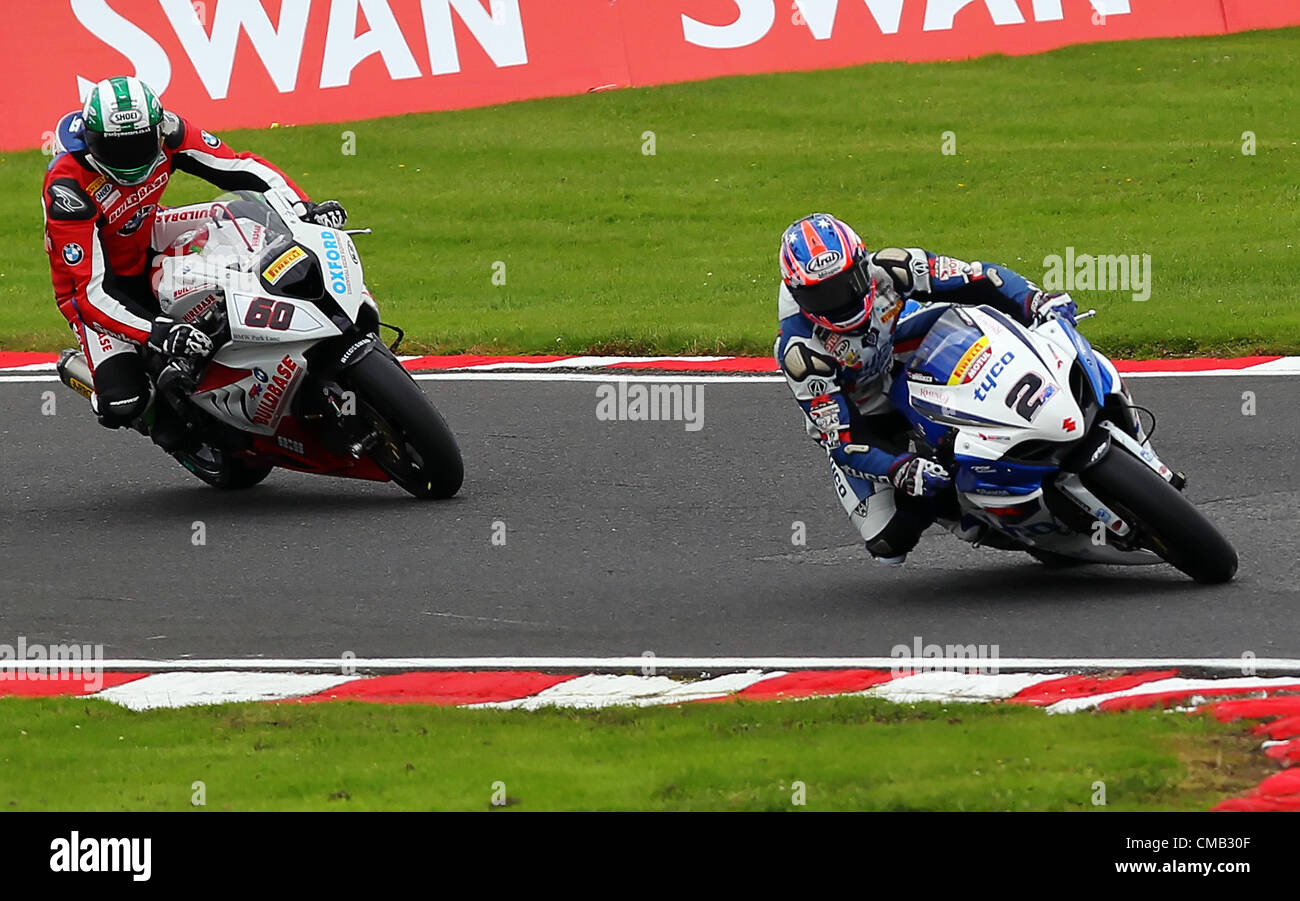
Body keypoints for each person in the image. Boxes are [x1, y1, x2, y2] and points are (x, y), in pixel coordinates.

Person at [42, 75, 347, 444]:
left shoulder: (170, 132)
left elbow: (239, 168)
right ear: (92, 142)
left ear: (156, 129)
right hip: (101, 288)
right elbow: (86, 293)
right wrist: (157, 332)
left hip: (147, 232)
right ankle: (92, 375)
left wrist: (304, 210)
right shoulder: (68, 188)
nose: (132, 157)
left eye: (141, 143)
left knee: (244, 217)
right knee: (123, 403)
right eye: (116, 148)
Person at [775, 212, 1077, 564]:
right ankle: (978, 518)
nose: (840, 301)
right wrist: (900, 468)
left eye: (847, 283)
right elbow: (844, 441)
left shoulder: (892, 268)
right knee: (889, 541)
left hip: (908, 348)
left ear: (862, 263)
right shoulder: (802, 353)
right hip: (868, 415)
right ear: (799, 295)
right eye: (822, 296)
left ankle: (1045, 389)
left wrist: (1034, 301)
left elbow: (978, 276)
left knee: (992, 318)